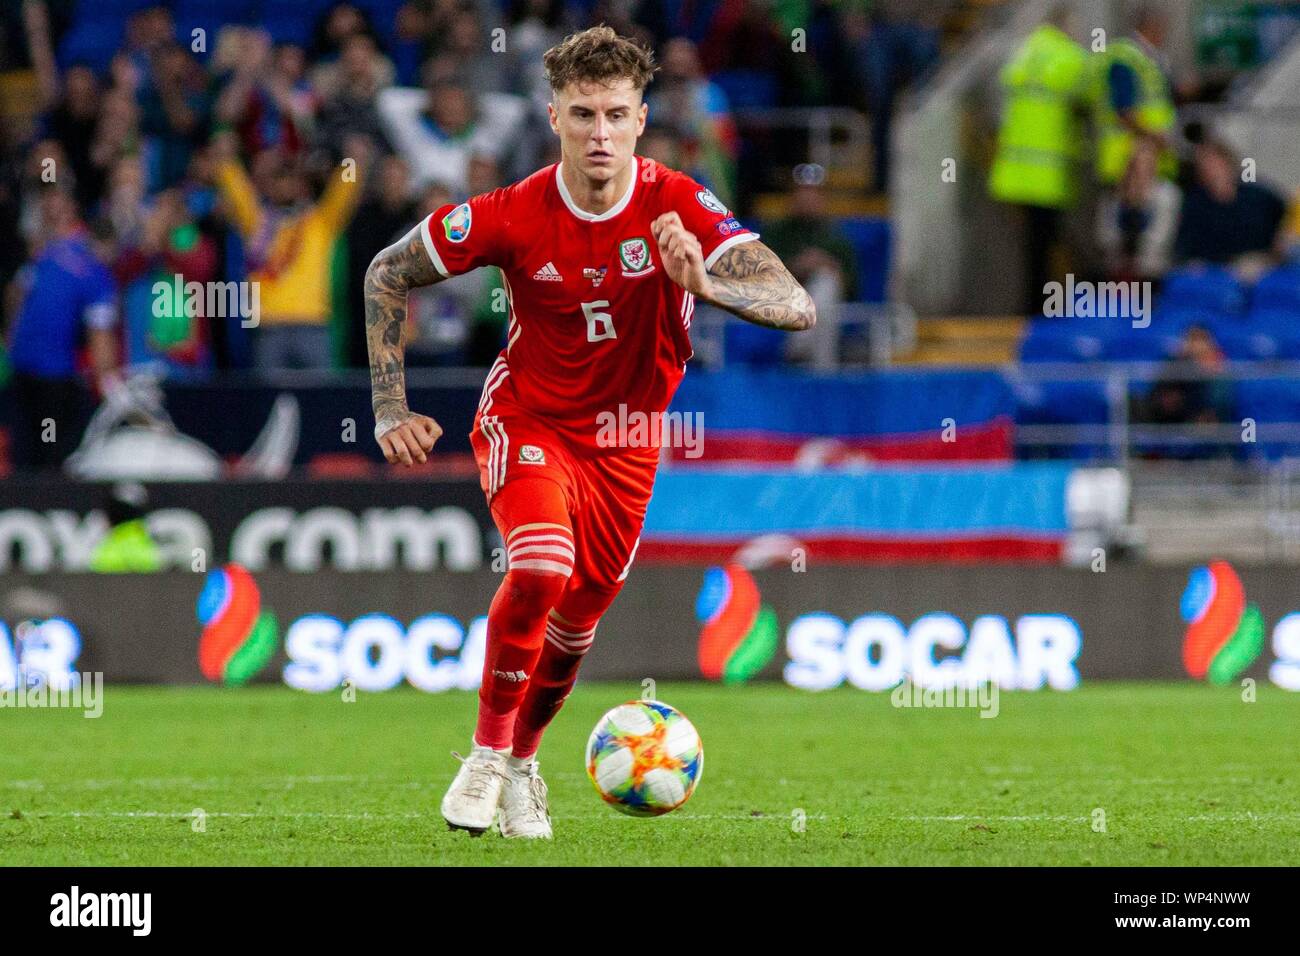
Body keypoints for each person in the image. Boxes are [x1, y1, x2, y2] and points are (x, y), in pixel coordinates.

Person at [362, 26, 815, 839]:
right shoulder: (511, 213)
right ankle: (484, 756)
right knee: (539, 568)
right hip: (529, 419)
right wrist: (391, 407)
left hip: (629, 445)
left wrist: (704, 281)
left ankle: (523, 767)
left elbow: (796, 304)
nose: (599, 133)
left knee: (573, 628)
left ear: (641, 120)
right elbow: (387, 271)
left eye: (614, 114)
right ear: (554, 119)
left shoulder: (677, 205)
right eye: (582, 115)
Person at [6, 187, 119, 472]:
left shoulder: (55, 253)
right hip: (43, 377)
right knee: (47, 456)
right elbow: (100, 335)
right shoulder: (90, 270)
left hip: (31, 372)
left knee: (31, 453)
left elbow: (15, 294)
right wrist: (109, 384)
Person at [988, 7, 1088, 314]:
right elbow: (1089, 98)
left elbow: (997, 99)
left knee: (1030, 247)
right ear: (1067, 27)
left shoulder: (1024, 51)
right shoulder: (1069, 56)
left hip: (1015, 170)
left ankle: (1032, 307)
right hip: (1048, 172)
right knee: (1049, 244)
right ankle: (1045, 309)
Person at [1174, 136, 1287, 280]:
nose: (1210, 169)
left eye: (1214, 163)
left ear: (1227, 163)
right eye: (1204, 165)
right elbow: (1186, 247)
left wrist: (1279, 244)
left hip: (1255, 264)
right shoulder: (1194, 203)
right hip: (1212, 269)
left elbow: (1286, 215)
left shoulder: (1258, 195)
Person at [1091, 2, 1177, 189]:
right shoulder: (1127, 58)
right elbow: (1124, 111)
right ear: (1152, 26)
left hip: (1146, 163)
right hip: (1127, 164)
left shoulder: (1150, 58)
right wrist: (1157, 138)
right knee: (1123, 216)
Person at [1096, 136, 1181, 284]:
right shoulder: (1113, 194)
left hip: (1151, 270)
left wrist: (1137, 260)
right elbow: (1104, 234)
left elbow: (1162, 236)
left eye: (1148, 161)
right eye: (1138, 161)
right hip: (1114, 267)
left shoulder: (1168, 194)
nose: (1142, 167)